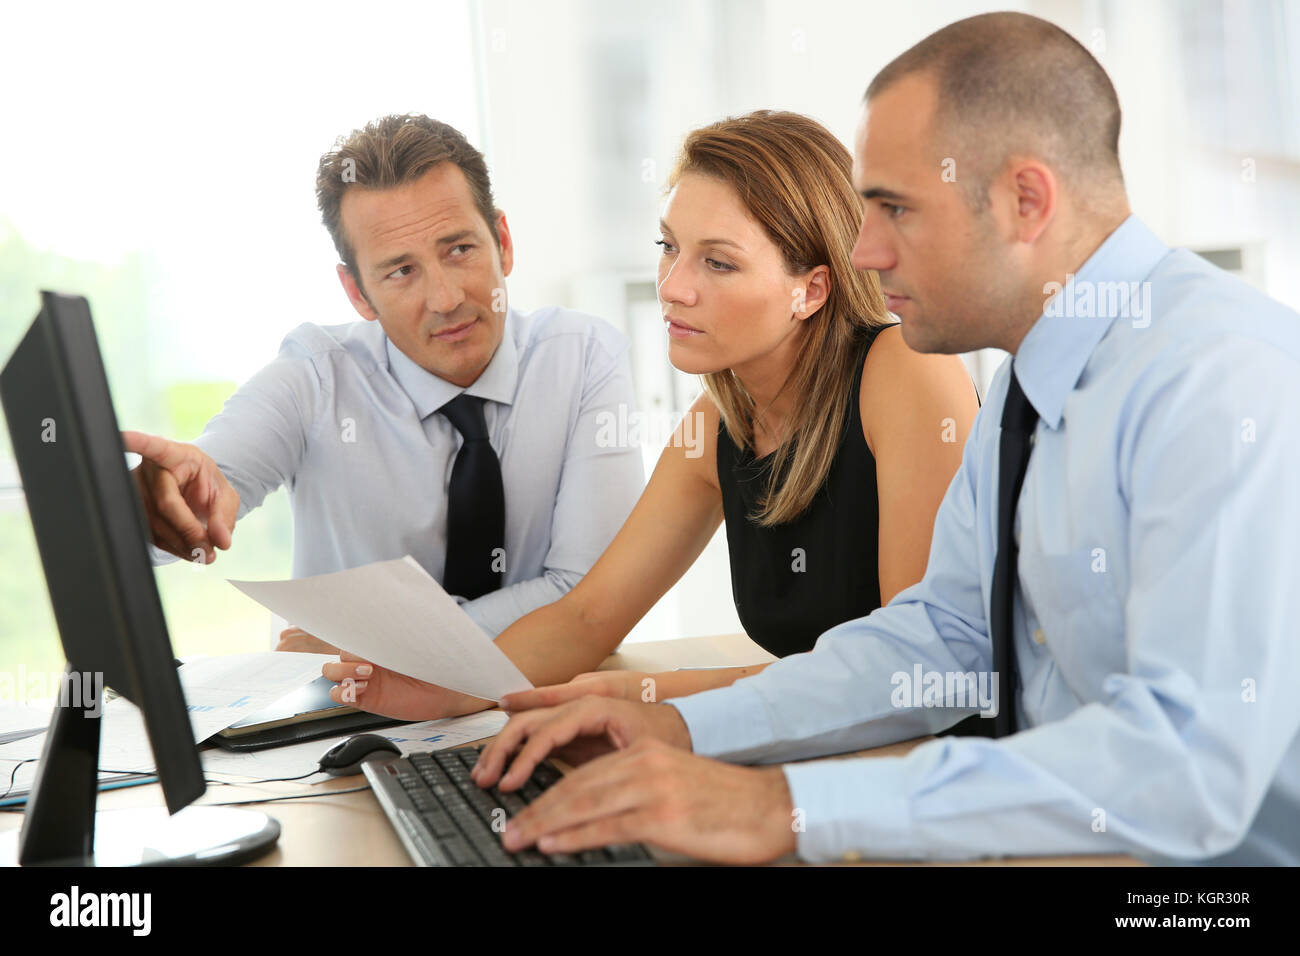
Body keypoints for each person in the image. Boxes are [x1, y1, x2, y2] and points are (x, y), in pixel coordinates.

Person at [459, 12, 1300, 866]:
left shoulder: (1218, 377)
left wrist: (783, 806)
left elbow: (1186, 766)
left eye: (895, 209)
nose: (864, 250)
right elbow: (939, 637)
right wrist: (675, 725)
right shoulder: (1026, 386)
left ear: (1026, 201)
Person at [322, 110, 979, 719]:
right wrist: (442, 687)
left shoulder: (906, 371)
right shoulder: (717, 425)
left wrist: (642, 694)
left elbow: (913, 672)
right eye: (669, 247)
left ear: (809, 289)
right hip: (833, 757)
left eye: (718, 262)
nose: (673, 287)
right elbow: (586, 619)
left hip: (955, 776)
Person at [125, 114, 644, 643]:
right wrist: (160, 509)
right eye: (401, 271)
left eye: (459, 249)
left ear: (503, 243)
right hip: (351, 715)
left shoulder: (583, 359)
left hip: (540, 700)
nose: (446, 299)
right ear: (356, 293)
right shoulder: (315, 378)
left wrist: (381, 645)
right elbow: (196, 494)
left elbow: (590, 592)